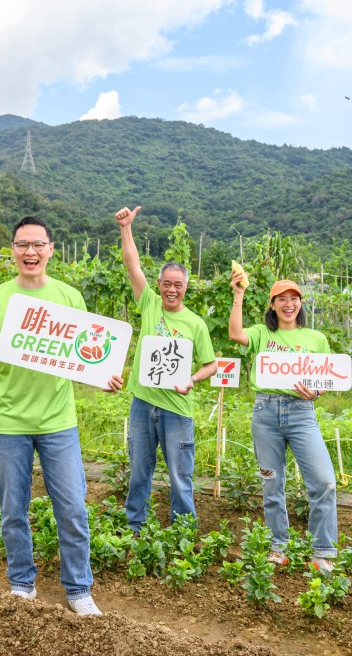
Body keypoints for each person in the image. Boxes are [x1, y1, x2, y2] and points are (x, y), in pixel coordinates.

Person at [0, 215, 123, 616]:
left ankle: (79, 589)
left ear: (50, 249)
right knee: (13, 510)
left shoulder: (69, 298)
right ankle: (22, 583)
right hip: (9, 423)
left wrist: (102, 378)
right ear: (12, 251)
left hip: (58, 422)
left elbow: (85, 357)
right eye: (22, 245)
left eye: (37, 245)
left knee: (73, 508)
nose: (30, 252)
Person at [115, 206, 217, 533]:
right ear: (158, 283)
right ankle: (135, 527)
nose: (172, 290)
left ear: (187, 287)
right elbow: (132, 264)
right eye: (167, 284)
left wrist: (192, 379)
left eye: (179, 285)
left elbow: (211, 365)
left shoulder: (195, 323)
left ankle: (184, 533)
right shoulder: (150, 303)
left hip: (177, 409)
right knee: (139, 471)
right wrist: (126, 228)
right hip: (143, 403)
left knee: (180, 474)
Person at [228, 272, 338, 574]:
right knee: (272, 484)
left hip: (302, 413)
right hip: (265, 413)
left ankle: (322, 552)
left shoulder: (316, 339)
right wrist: (238, 294)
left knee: (324, 482)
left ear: (300, 304)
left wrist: (315, 391)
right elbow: (236, 334)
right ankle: (279, 548)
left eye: (294, 298)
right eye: (282, 299)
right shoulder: (263, 334)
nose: (288, 304)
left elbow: (326, 378)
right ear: (273, 305)